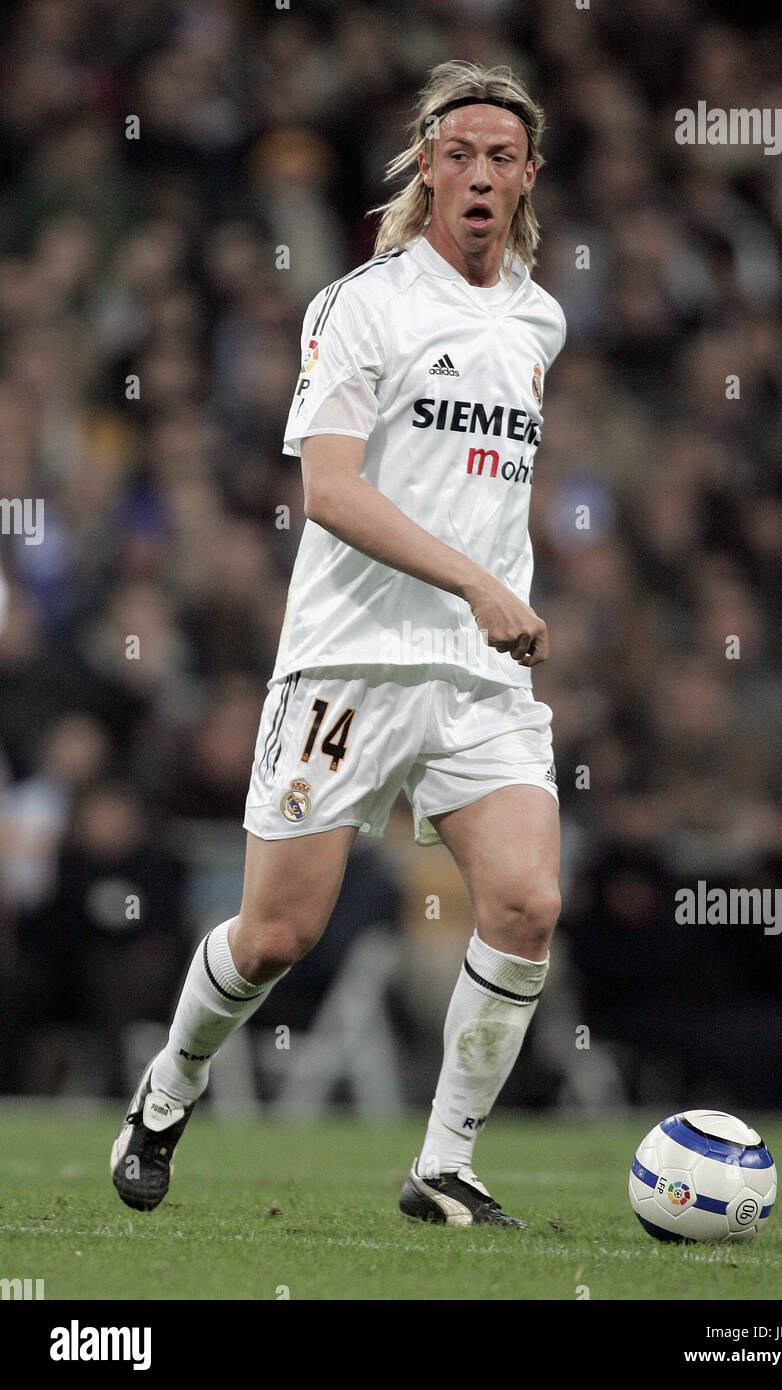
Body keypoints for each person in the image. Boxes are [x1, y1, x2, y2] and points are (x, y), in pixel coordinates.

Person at [111, 58, 566, 1228]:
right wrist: (475, 582)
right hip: (351, 660)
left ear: (526, 177)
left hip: (477, 675)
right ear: (425, 167)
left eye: (497, 156)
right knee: (274, 935)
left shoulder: (534, 315)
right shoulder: (362, 303)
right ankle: (168, 1089)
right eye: (454, 153)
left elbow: (481, 483)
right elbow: (328, 491)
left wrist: (490, 593)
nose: (475, 173)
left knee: (524, 904)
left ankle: (445, 1163)